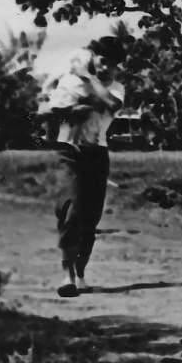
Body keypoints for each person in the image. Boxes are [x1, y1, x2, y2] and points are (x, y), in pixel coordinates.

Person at [42, 36, 126, 297]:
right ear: (93, 57)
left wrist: (88, 82)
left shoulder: (117, 88)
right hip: (69, 151)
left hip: (97, 153)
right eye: (103, 61)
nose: (106, 68)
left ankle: (79, 271)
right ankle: (67, 274)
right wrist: (84, 104)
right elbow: (56, 112)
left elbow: (112, 104)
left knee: (90, 218)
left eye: (112, 64)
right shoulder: (69, 81)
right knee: (72, 211)